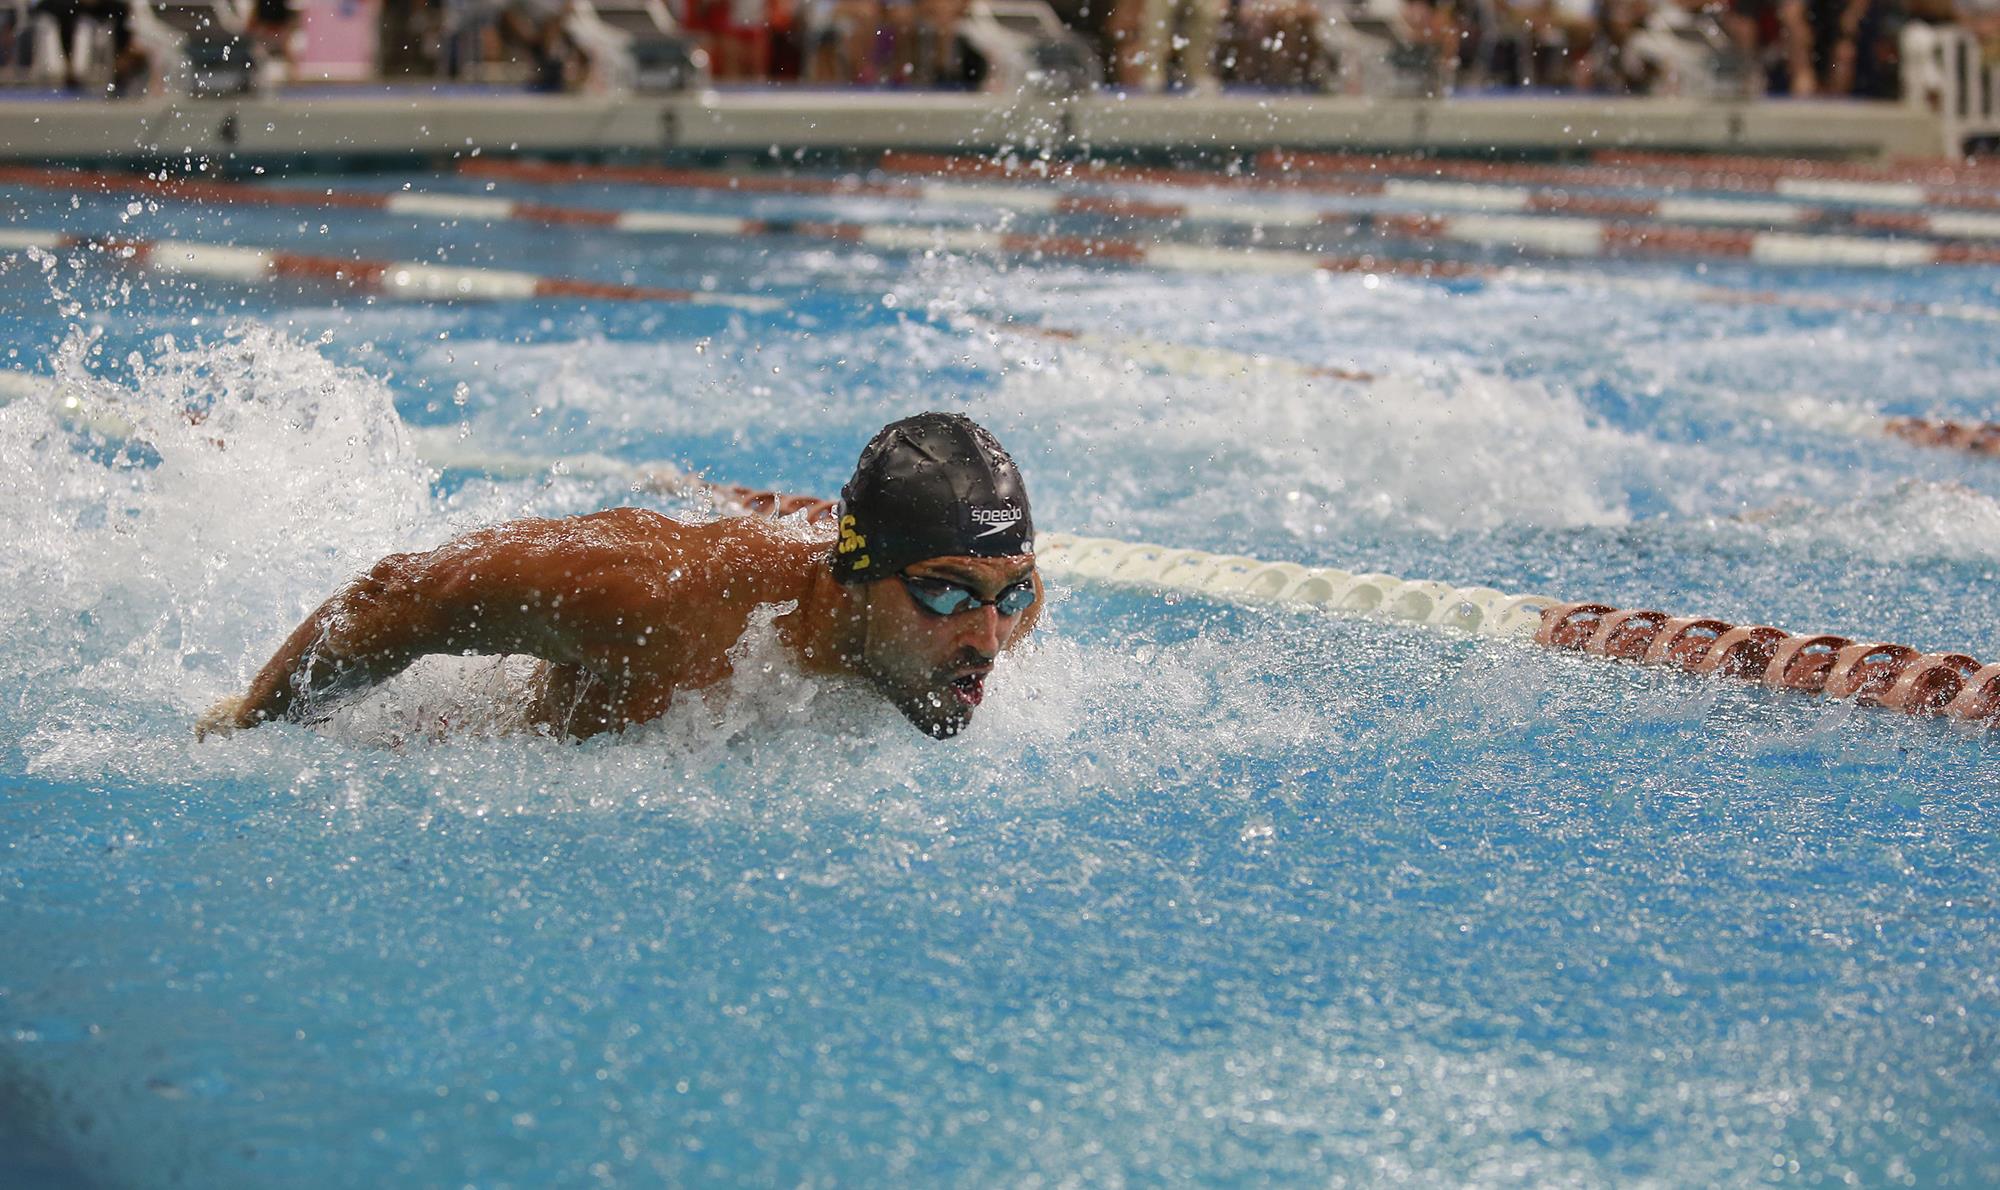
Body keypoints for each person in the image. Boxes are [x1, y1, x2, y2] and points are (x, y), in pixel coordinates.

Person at [195, 413, 1043, 742]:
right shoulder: (662, 602)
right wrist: (253, 724)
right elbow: (400, 594)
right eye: (946, 592)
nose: (987, 640)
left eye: (1006, 596)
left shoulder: (1005, 602)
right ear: (855, 573)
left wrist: (980, 590)